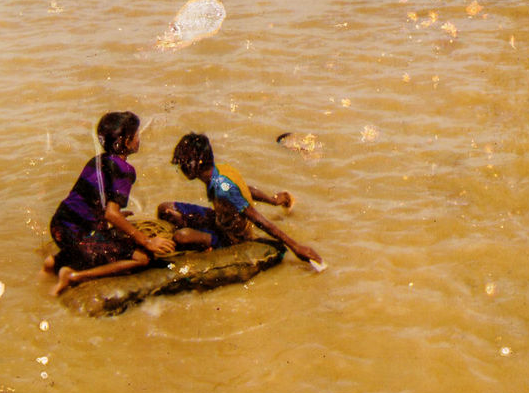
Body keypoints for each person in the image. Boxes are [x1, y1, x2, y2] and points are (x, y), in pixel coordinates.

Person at [45, 111, 175, 295]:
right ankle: (74, 276)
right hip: (78, 235)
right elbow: (110, 214)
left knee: (108, 237)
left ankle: (54, 262)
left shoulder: (97, 161)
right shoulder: (124, 170)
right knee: (141, 259)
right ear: (125, 141)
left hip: (59, 226)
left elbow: (87, 200)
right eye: (136, 135)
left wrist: (114, 216)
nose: (139, 139)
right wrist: (147, 241)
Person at [159, 132, 324, 270]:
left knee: (181, 237)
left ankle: (210, 245)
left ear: (194, 165)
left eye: (182, 165)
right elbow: (246, 189)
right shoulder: (221, 171)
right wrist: (273, 200)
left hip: (231, 236)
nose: (180, 169)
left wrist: (295, 246)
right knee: (164, 208)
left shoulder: (223, 188)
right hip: (221, 218)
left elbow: (258, 219)